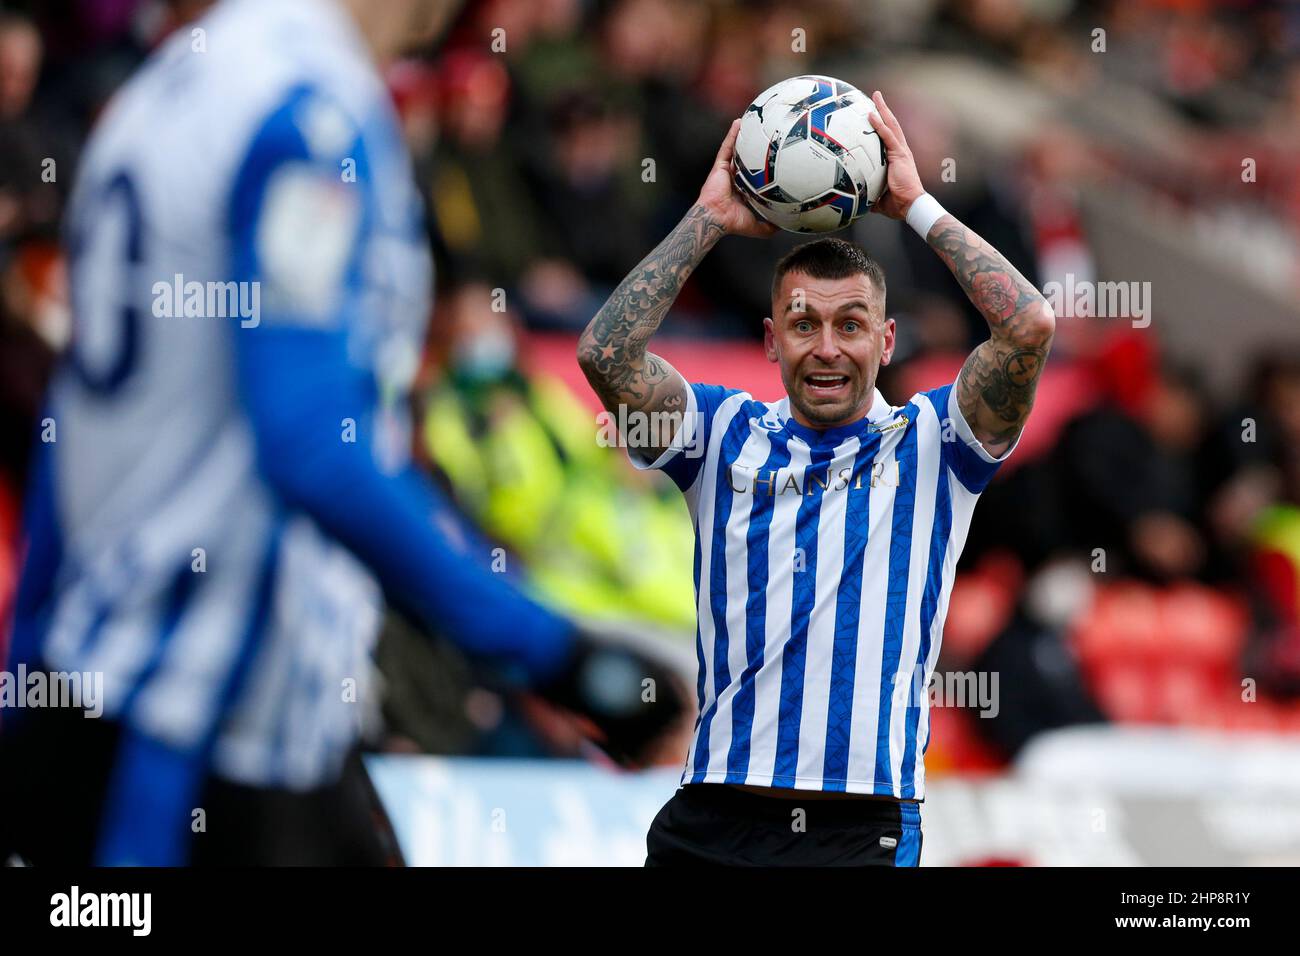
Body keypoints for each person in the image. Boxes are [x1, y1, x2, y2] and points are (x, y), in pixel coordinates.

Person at [0, 0, 682, 867]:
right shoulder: (311, 108)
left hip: (174, 694)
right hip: (198, 721)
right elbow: (315, 447)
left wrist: (30, 680)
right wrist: (560, 656)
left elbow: (79, 426)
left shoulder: (170, 89)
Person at [578, 93, 1055, 866]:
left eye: (851, 324)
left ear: (887, 338)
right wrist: (706, 219)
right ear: (772, 339)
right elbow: (605, 355)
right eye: (804, 324)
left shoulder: (933, 444)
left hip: (856, 831)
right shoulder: (720, 435)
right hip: (709, 820)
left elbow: (1029, 324)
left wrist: (914, 205)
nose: (827, 347)